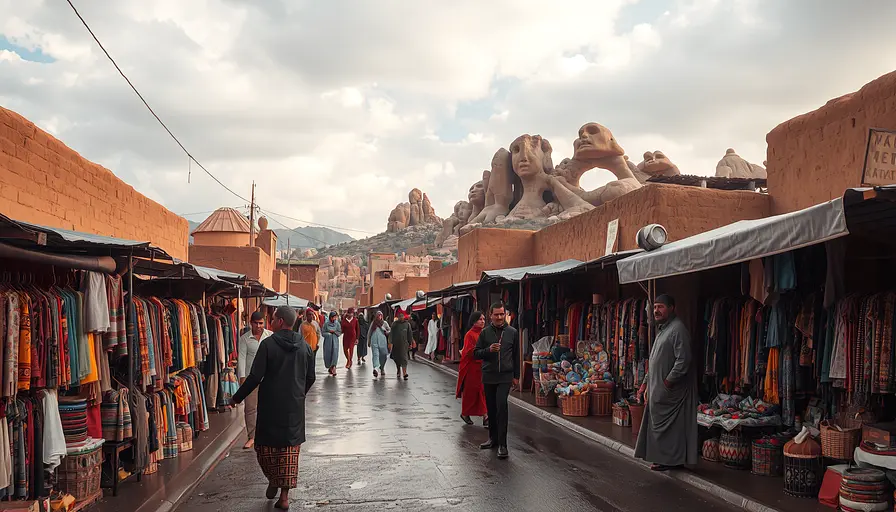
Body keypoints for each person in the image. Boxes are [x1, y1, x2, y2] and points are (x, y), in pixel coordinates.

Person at [232, 305, 316, 510]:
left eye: (272, 318)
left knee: (265, 448)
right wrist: (299, 394)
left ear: (279, 322)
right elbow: (311, 377)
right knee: (289, 452)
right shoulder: (305, 347)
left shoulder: (268, 345)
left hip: (270, 406)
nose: (270, 321)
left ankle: (274, 482)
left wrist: (237, 397)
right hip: (293, 409)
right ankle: (282, 492)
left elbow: (255, 376)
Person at [634, 294, 698, 471]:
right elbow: (654, 359)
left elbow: (683, 360)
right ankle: (664, 459)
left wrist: (668, 382)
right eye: (654, 307)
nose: (656, 310)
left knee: (673, 429)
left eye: (661, 307)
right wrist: (645, 383)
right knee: (659, 429)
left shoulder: (678, 329)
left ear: (672, 308)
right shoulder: (663, 330)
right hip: (658, 388)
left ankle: (673, 461)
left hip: (671, 391)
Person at [473, 302, 519, 460]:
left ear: (505, 314)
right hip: (489, 375)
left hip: (505, 376)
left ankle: (503, 445)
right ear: (490, 315)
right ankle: (492, 439)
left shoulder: (512, 332)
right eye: (496, 314)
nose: (499, 317)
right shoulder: (485, 333)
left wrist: (516, 376)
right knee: (491, 409)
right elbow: (476, 353)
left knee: (501, 407)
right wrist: (488, 350)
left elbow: (516, 356)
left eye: (502, 314)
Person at [237, 311, 272, 450]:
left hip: (268, 377)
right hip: (251, 379)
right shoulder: (244, 339)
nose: (258, 326)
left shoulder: (270, 336)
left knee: (268, 407)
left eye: (261, 323)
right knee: (250, 408)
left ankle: (267, 434)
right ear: (251, 323)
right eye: (256, 323)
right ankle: (252, 437)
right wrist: (242, 377)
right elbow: (241, 358)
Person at [456, 311, 488, 427]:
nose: (483, 321)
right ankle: (482, 415)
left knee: (482, 391)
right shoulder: (470, 334)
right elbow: (469, 352)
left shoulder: (484, 333)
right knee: (472, 392)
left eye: (484, 319)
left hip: (483, 367)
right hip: (472, 368)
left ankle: (484, 416)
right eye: (480, 319)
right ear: (474, 321)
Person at [388, 310, 414, 380]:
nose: (401, 317)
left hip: (404, 345)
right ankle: (398, 370)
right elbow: (391, 334)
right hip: (396, 345)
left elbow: (410, 334)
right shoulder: (394, 324)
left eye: (402, 316)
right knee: (397, 359)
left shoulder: (407, 324)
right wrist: (390, 343)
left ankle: (405, 373)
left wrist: (411, 342)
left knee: (404, 358)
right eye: (399, 316)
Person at [367, 311, 391, 378]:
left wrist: (386, 332)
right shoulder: (373, 323)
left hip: (383, 342)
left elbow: (389, 330)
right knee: (376, 355)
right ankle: (376, 369)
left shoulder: (385, 323)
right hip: (374, 341)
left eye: (380, 315)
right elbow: (369, 332)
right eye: (378, 315)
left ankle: (382, 367)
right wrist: (368, 341)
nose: (379, 317)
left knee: (384, 355)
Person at [322, 312, 342, 376]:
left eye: (335, 317)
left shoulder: (337, 324)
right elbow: (323, 333)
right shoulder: (326, 324)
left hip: (335, 341)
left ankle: (334, 368)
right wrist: (329, 333)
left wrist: (335, 332)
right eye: (333, 317)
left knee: (335, 354)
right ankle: (330, 367)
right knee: (328, 355)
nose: (334, 318)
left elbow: (339, 332)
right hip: (328, 342)